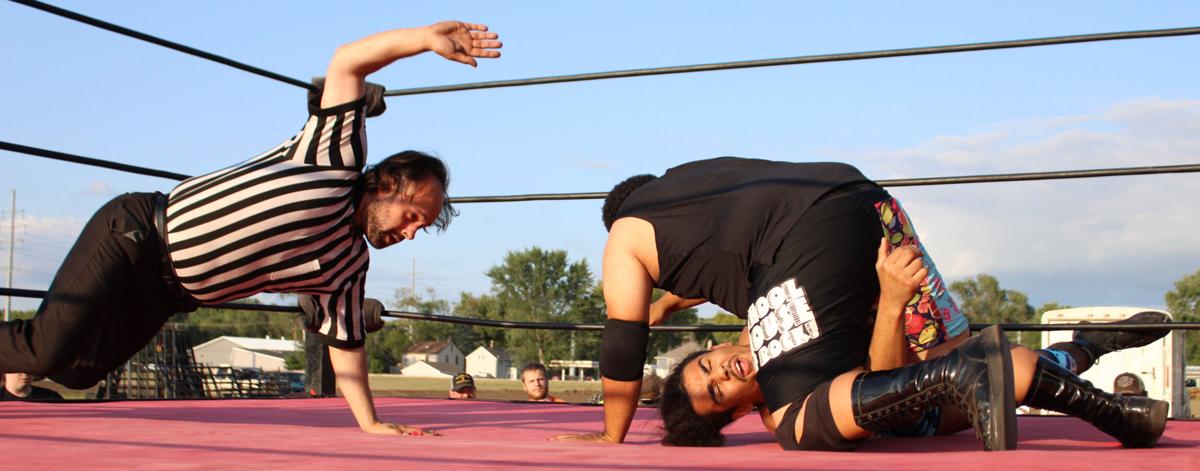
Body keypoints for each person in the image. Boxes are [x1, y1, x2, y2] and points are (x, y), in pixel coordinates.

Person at [0, 22, 501, 436]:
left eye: (421, 228)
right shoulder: (332, 159)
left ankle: (15, 372)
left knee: (78, 372)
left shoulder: (348, 266)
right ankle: (26, 360)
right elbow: (348, 61)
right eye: (411, 215)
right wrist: (425, 40)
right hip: (136, 235)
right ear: (385, 185)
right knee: (47, 348)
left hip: (166, 295)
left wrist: (370, 422)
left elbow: (346, 344)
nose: (409, 233)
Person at [551, 156, 1168, 445]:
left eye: (709, 365)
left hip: (824, 259)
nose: (726, 369)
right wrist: (672, 302)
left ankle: (987, 372)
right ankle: (1091, 355)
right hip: (864, 203)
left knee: (795, 424)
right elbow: (736, 252)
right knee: (989, 363)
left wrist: (611, 436)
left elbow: (622, 343)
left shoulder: (627, 236)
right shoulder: (698, 183)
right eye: (718, 388)